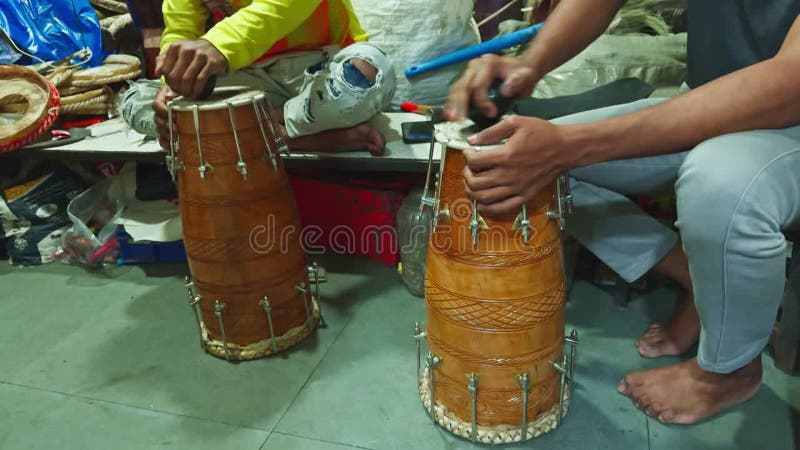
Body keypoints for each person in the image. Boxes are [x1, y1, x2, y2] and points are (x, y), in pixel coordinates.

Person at [447, 0, 800, 425]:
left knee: (719, 184)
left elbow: (790, 83)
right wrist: (527, 66)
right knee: (524, 163)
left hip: (792, 116)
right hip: (708, 95)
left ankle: (731, 371)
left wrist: (571, 146)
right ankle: (695, 276)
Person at [152, 0, 395, 156]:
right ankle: (300, 135)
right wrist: (174, 81)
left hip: (319, 74)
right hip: (247, 84)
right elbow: (180, 32)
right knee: (143, 101)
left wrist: (218, 45)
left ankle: (253, 130)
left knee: (369, 70)